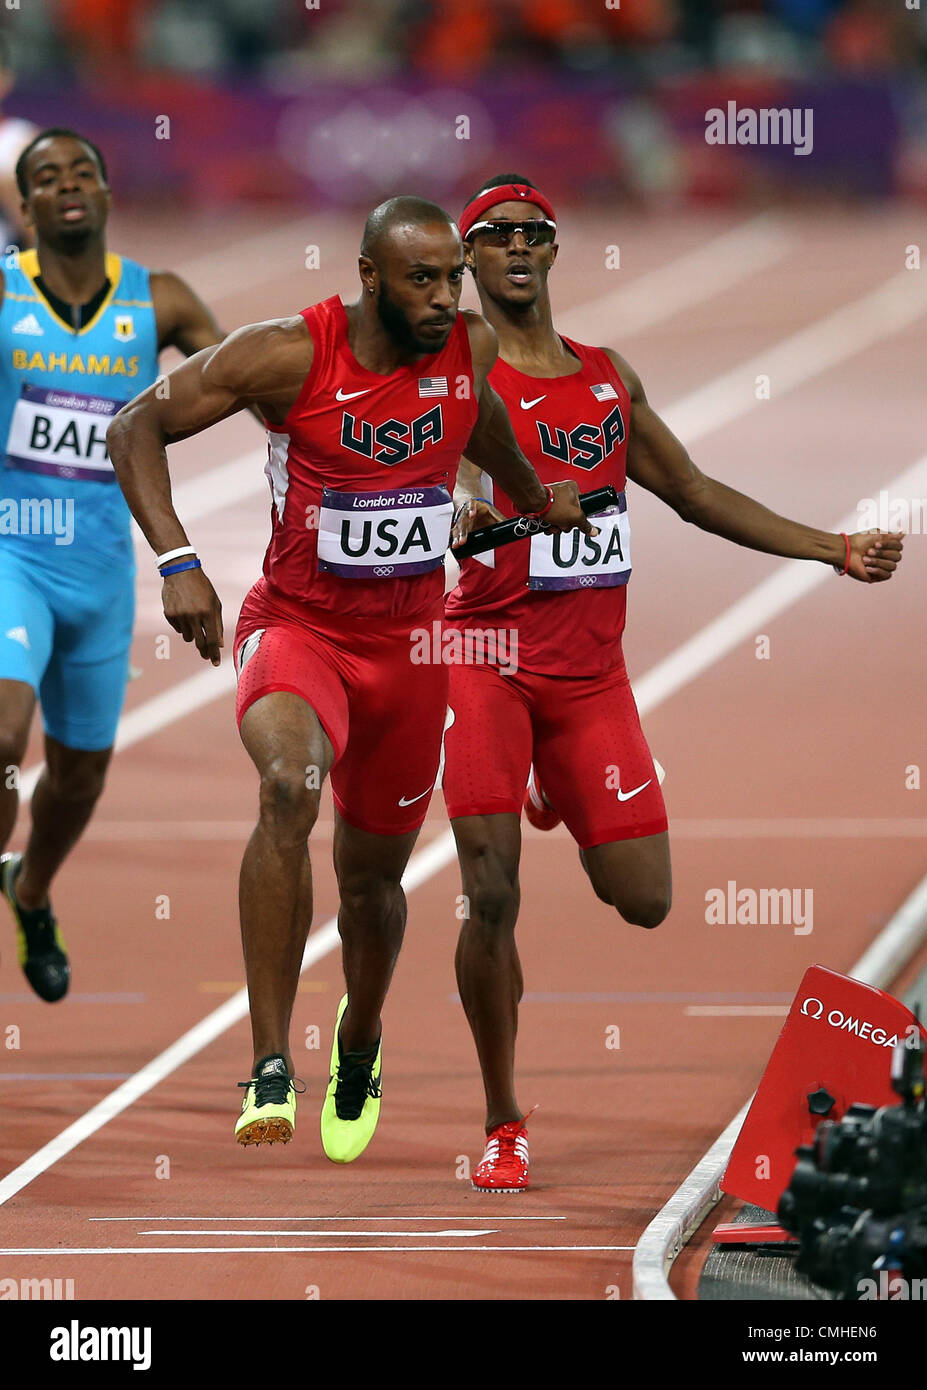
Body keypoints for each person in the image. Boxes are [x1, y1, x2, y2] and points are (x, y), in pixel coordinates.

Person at [444, 174, 905, 1193]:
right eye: (494, 236)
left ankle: (550, 781)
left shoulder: (608, 376)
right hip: (483, 659)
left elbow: (692, 494)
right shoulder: (458, 361)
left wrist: (831, 547)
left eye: (533, 233)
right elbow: (424, 467)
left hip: (589, 671)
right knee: (490, 889)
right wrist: (464, 511)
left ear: (555, 252)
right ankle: (505, 1119)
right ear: (468, 261)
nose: (516, 248)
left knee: (644, 899)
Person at [106, 195, 591, 1161]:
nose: (444, 295)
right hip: (299, 632)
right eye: (422, 279)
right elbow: (133, 430)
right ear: (369, 276)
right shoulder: (287, 355)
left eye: (452, 277)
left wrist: (533, 498)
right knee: (287, 787)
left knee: (372, 885)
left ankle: (359, 1040)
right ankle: (271, 1062)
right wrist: (175, 562)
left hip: (410, 656)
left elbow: (478, 419)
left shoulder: (466, 347)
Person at [0, 127, 241, 1002]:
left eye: (83, 173)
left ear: (105, 191)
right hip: (10, 553)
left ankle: (30, 890)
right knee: (0, 735)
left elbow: (244, 379)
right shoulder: (1, 294)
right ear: (22, 207)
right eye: (46, 178)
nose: (67, 186)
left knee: (80, 775)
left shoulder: (161, 301)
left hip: (102, 574)